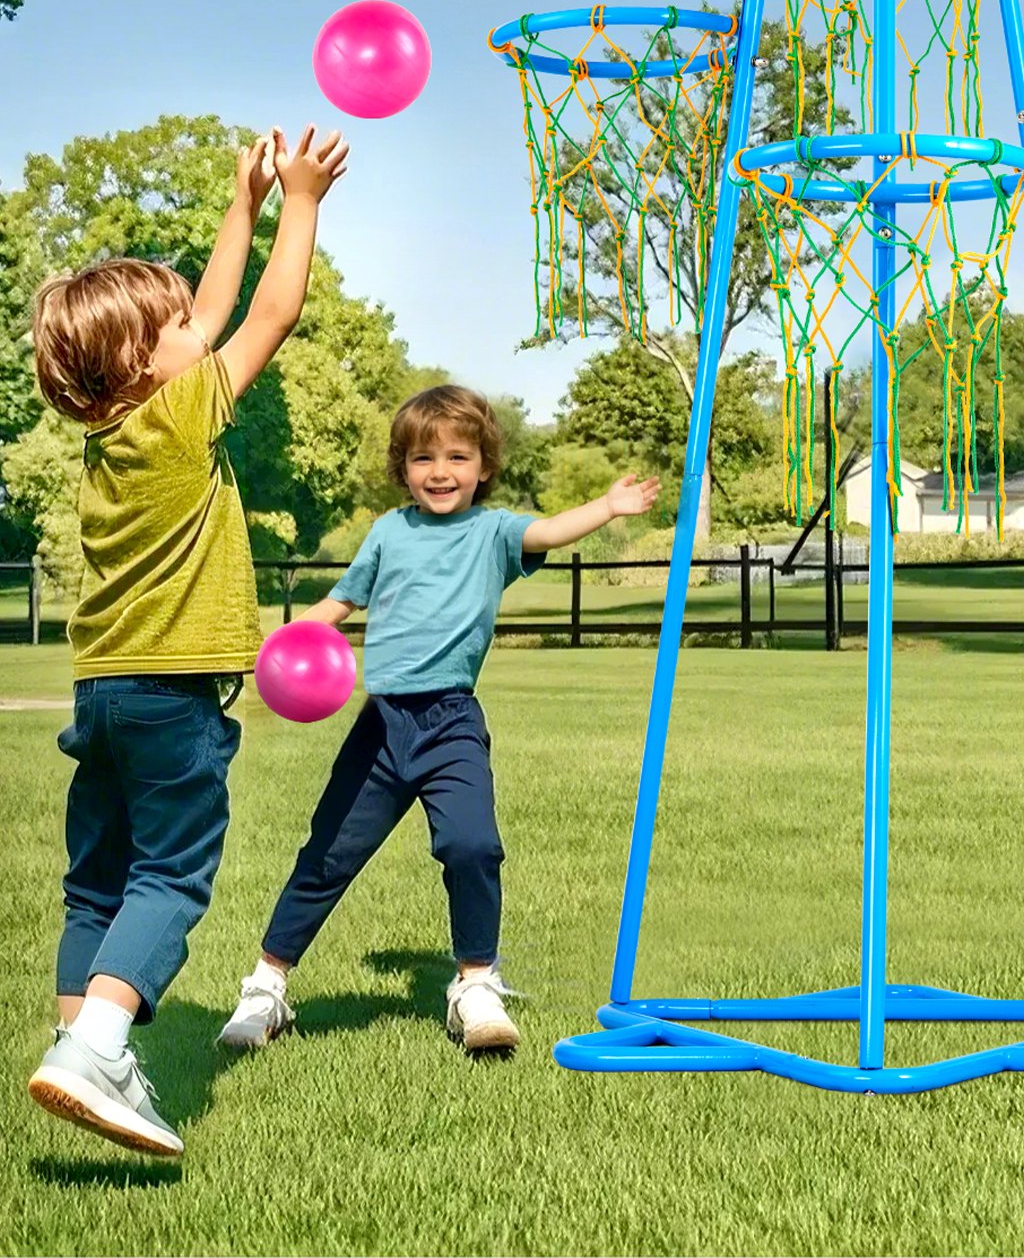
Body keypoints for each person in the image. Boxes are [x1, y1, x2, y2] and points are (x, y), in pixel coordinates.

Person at [27, 126, 349, 1155]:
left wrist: (238, 203)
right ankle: (98, 1052)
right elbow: (266, 313)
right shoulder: (177, 417)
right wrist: (300, 200)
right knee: (171, 874)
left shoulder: (112, 429)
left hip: (104, 693)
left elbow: (205, 312)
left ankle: (78, 1046)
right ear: (141, 364)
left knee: (98, 879)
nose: (191, 329)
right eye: (169, 327)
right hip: (173, 695)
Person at [217, 384, 659, 1054]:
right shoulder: (389, 532)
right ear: (404, 469)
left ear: (484, 466)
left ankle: (476, 985)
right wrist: (279, 647)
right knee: (329, 855)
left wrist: (607, 506)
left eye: (458, 456)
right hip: (382, 727)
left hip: (451, 722)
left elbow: (547, 531)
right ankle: (267, 986)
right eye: (424, 458)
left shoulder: (495, 532)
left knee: (472, 845)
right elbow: (339, 604)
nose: (441, 471)